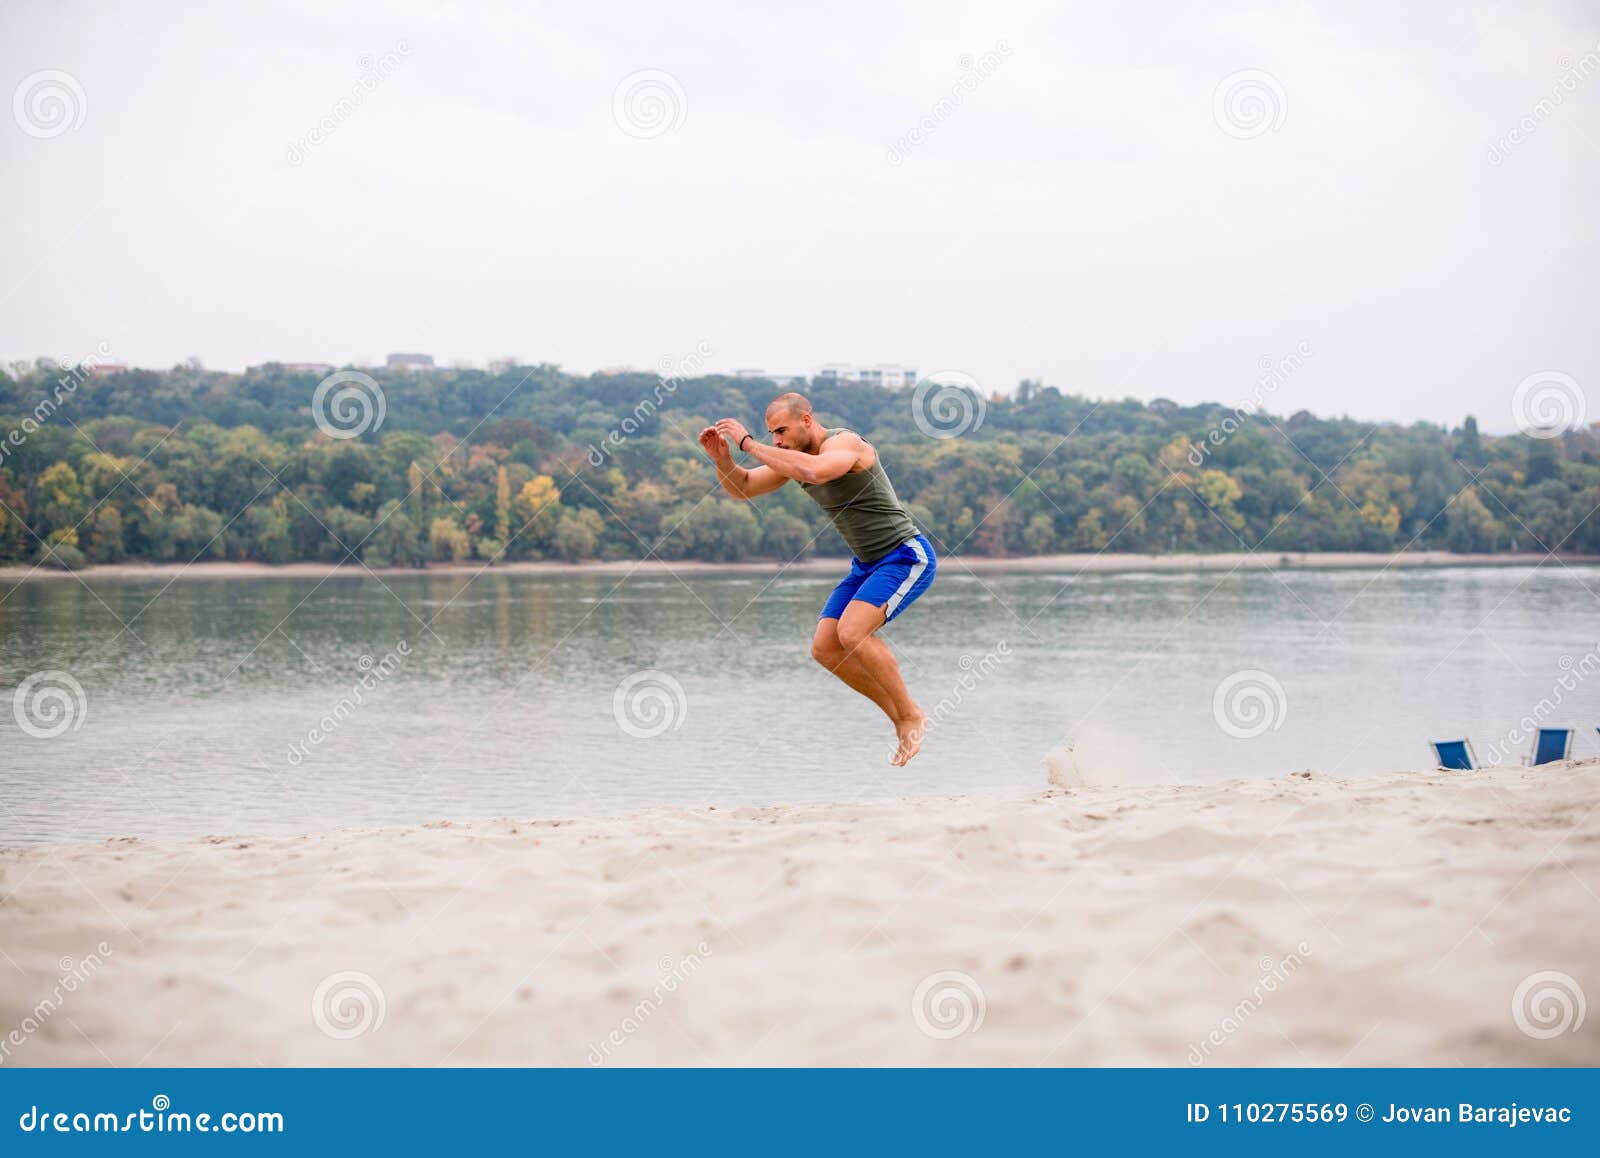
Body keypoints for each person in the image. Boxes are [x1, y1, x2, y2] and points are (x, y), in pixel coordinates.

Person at [699, 392, 937, 765]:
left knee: (853, 633)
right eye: (771, 434)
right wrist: (724, 460)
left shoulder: (845, 443)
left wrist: (747, 442)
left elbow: (817, 472)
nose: (777, 440)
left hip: (905, 555)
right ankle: (900, 719)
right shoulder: (794, 457)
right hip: (866, 564)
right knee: (825, 648)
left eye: (782, 431)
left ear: (807, 420)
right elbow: (743, 487)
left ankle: (911, 714)